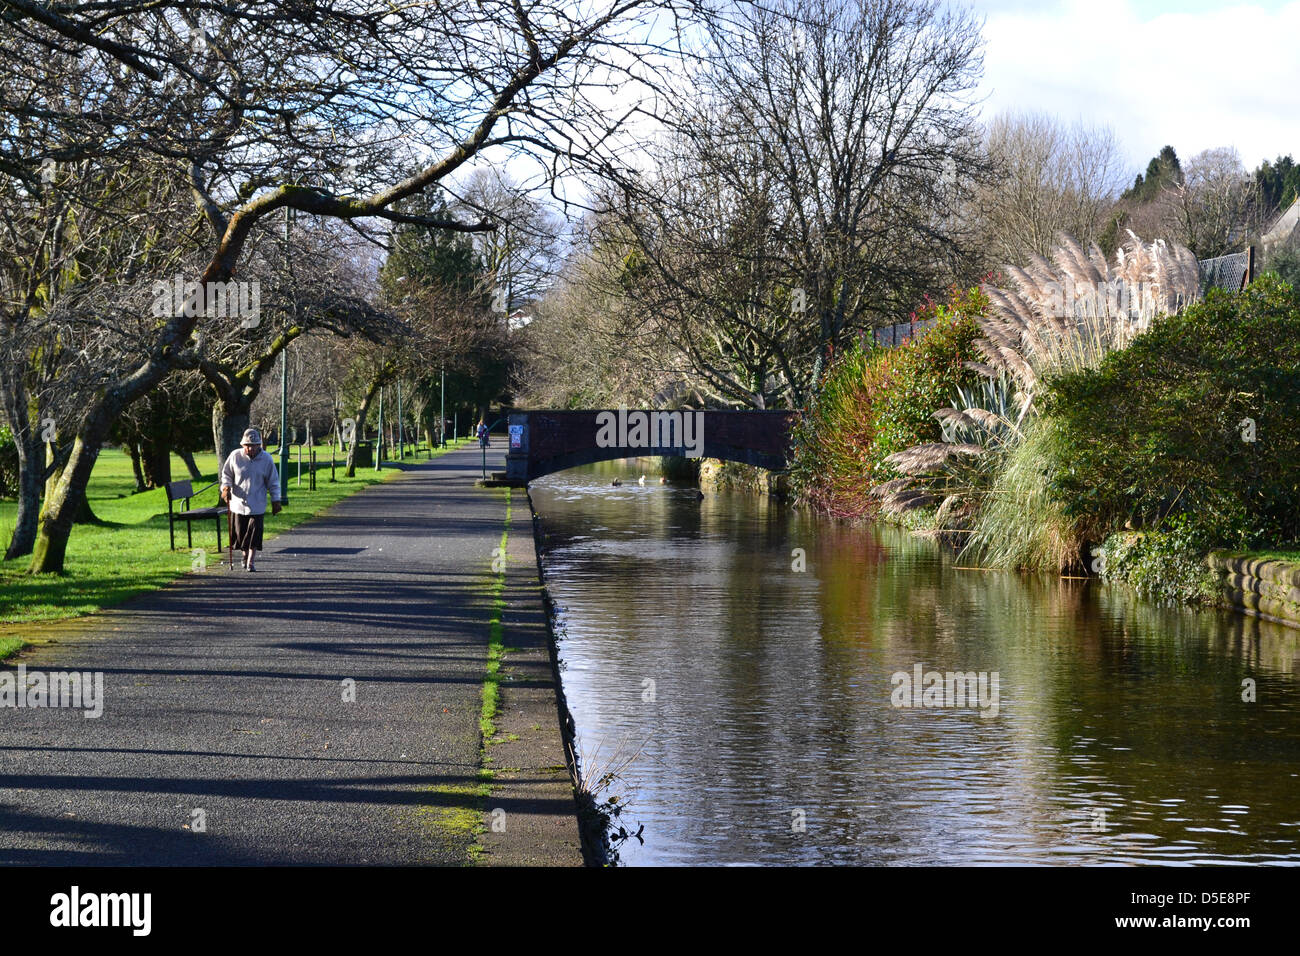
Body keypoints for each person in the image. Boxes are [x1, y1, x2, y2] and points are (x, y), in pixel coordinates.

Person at [220, 427, 282, 571]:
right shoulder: (235, 456)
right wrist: (226, 488)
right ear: (243, 445)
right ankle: (244, 555)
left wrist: (276, 500)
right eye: (248, 446)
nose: (251, 449)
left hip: (257, 503)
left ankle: (251, 562)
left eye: (254, 446)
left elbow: (273, 481)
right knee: (241, 535)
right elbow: (226, 475)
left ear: (259, 445)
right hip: (238, 504)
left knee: (255, 533)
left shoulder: (266, 459)